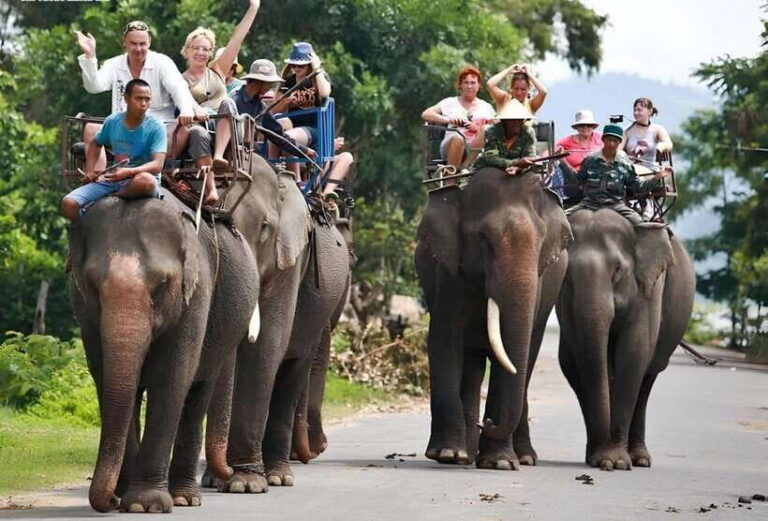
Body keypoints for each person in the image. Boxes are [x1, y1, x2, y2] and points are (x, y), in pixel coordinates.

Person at [75, 20, 197, 170]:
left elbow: (179, 89)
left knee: (183, 129)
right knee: (90, 129)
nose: (138, 49)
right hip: (123, 131)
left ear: (149, 42)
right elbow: (94, 86)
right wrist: (90, 56)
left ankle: (148, 169)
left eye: (142, 44)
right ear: (124, 43)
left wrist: (186, 110)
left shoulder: (162, 63)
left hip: (158, 130)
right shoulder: (114, 64)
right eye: (133, 43)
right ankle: (96, 180)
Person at [177, 0, 260, 204]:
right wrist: (197, 110)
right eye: (196, 48)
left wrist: (253, 8)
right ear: (186, 50)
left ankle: (219, 156)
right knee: (196, 131)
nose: (201, 52)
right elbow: (183, 102)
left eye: (206, 49)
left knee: (227, 104)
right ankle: (211, 188)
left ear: (211, 52)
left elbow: (237, 38)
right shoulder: (178, 80)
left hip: (229, 130)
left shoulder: (218, 69)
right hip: (202, 129)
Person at [61, 79, 166, 222]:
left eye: (147, 99)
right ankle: (87, 224)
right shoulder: (113, 121)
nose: (143, 104)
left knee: (146, 182)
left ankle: (110, 198)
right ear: (126, 98)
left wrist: (128, 172)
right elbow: (95, 144)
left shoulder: (156, 126)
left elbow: (157, 165)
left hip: (140, 179)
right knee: (68, 204)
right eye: (138, 98)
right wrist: (90, 171)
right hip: (114, 179)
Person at [565, 124, 671, 225]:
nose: (611, 144)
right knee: (562, 218)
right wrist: (562, 162)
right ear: (603, 140)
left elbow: (637, 187)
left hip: (616, 204)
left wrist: (658, 176)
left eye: (615, 141)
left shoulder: (624, 162)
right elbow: (577, 180)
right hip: (589, 203)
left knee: (640, 224)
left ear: (619, 143)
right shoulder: (591, 159)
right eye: (608, 140)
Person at [233, 59, 317, 159]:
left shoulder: (259, 107)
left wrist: (304, 150)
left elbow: (277, 135)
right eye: (270, 83)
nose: (270, 88)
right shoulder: (234, 101)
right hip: (235, 154)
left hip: (250, 156)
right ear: (260, 82)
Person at [270, 42, 331, 176]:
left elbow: (325, 93)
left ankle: (295, 178)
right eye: (293, 65)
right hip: (292, 125)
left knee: (287, 137)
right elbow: (275, 110)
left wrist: (316, 69)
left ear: (309, 64)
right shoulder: (288, 82)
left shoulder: (318, 78)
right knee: (277, 126)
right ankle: (271, 165)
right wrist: (284, 102)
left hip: (314, 130)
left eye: (301, 65)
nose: (296, 68)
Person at [421, 65, 495, 169]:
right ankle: (451, 179)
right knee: (457, 137)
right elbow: (426, 114)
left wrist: (477, 128)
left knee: (486, 129)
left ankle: (464, 169)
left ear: (478, 85)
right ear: (460, 85)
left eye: (473, 83)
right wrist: (449, 119)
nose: (469, 86)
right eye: (466, 82)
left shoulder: (486, 107)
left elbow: (494, 129)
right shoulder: (450, 102)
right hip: (452, 145)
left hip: (476, 149)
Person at [471, 99, 536, 175]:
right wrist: (516, 163)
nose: (517, 123)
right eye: (513, 120)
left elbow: (529, 158)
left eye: (520, 120)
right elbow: (491, 158)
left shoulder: (528, 132)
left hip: (516, 170)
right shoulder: (492, 131)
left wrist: (518, 168)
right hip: (488, 169)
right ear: (504, 120)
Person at [552, 110, 603, 202]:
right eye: (582, 125)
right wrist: (558, 154)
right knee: (560, 161)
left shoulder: (601, 139)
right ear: (577, 127)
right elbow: (551, 150)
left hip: (597, 177)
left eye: (589, 125)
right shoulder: (567, 141)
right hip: (574, 179)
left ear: (593, 127)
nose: (585, 128)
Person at [622, 97, 673, 164]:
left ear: (650, 111)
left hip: (651, 171)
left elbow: (669, 144)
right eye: (634, 110)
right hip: (632, 171)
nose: (636, 113)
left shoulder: (657, 129)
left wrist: (661, 146)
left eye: (639, 110)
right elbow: (618, 150)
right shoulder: (627, 131)